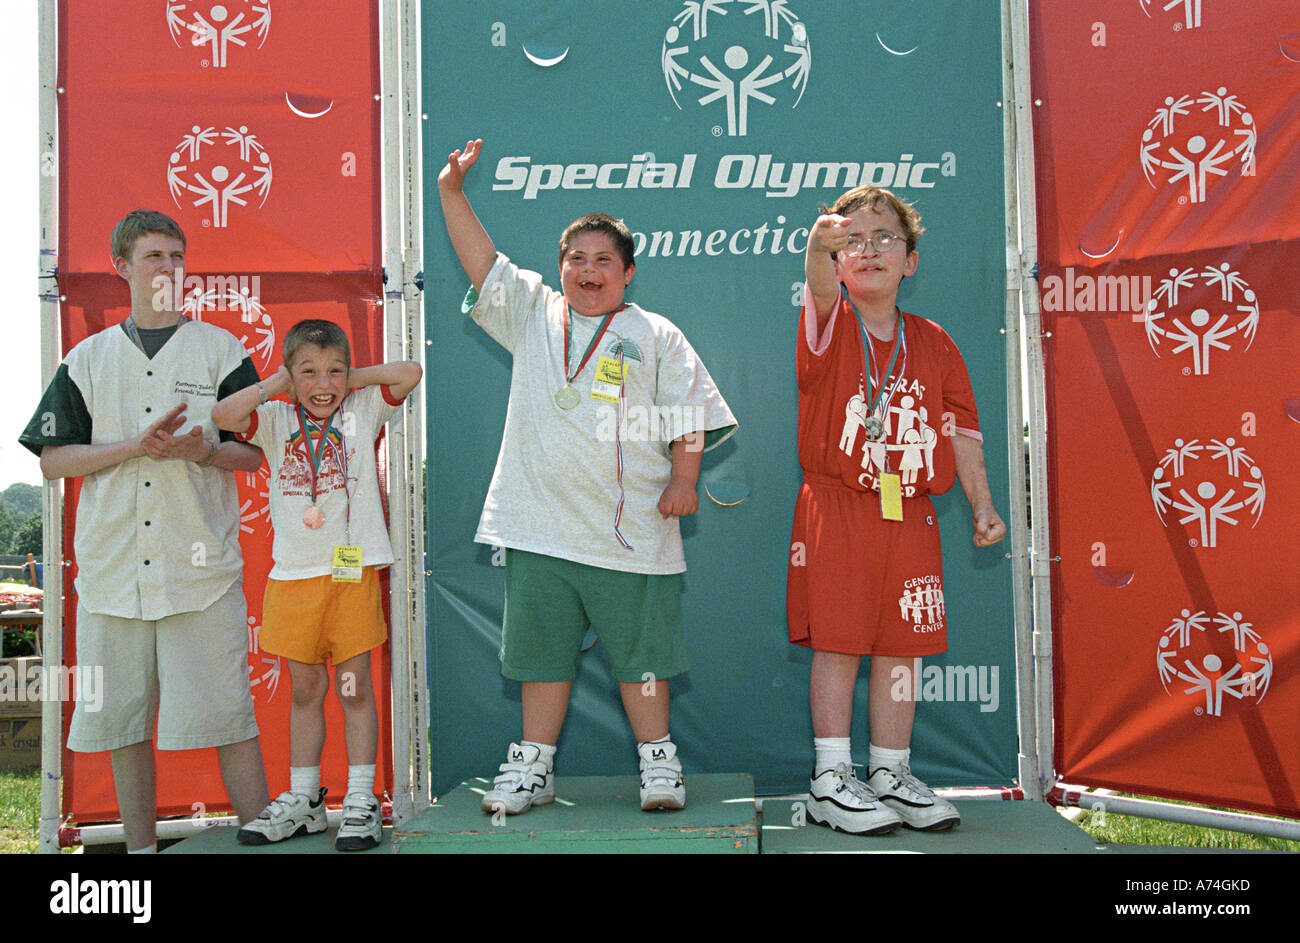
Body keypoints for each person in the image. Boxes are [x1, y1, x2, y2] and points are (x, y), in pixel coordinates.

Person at [437, 138, 736, 814]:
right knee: (541, 659)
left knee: (644, 659)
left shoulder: (656, 333)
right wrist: (452, 193)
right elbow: (482, 262)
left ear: (628, 274)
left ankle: (659, 764)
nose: (589, 270)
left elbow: (690, 411)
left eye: (605, 260)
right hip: (539, 527)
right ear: (561, 268)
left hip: (631, 531)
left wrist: (685, 477)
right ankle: (534, 767)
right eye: (577, 258)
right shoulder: (534, 313)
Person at [19, 208, 270, 853]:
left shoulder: (220, 350)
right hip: (113, 572)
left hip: (201, 574)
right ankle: (139, 855)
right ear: (122, 267)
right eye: (154, 255)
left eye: (176, 256)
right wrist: (134, 446)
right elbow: (52, 461)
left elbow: (255, 453)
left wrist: (199, 452)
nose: (168, 267)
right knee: (124, 723)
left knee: (229, 717)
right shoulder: (88, 359)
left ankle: (264, 840)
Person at [790, 187, 1006, 835]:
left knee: (902, 649)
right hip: (841, 505)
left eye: (885, 238)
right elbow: (819, 283)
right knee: (840, 639)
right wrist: (814, 249)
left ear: (911, 261)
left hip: (910, 510)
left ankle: (889, 769)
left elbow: (962, 431)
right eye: (852, 240)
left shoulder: (935, 343)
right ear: (836, 260)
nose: (870, 249)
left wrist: (983, 503)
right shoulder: (827, 318)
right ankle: (830, 777)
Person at [211, 319, 421, 851]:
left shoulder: (362, 408)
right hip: (292, 578)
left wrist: (354, 377)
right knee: (305, 690)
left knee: (353, 687)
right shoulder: (276, 416)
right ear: (288, 374)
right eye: (309, 371)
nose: (322, 383)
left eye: (333, 370)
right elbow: (224, 415)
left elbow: (410, 372)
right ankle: (305, 799)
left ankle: (358, 798)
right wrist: (280, 383)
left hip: (350, 575)